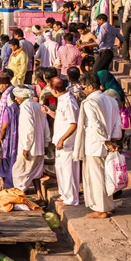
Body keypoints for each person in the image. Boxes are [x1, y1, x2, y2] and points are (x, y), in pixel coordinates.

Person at [73, 71, 122, 218]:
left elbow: (96, 125)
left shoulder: (90, 103)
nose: (83, 91)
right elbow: (117, 123)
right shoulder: (111, 100)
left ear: (89, 87)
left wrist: (106, 141)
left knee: (97, 177)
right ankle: (108, 205)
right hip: (107, 144)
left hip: (95, 145)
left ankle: (101, 209)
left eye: (83, 88)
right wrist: (112, 139)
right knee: (106, 176)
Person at [43, 77, 80, 207]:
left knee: (68, 171)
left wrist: (62, 139)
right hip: (60, 143)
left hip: (67, 143)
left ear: (55, 90)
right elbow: (61, 118)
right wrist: (49, 112)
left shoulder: (69, 102)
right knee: (61, 170)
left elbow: (73, 124)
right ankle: (64, 195)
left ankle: (71, 198)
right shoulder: (62, 100)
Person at [12, 87, 49, 192]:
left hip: (30, 147)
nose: (15, 98)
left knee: (19, 172)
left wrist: (26, 148)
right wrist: (45, 143)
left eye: (17, 96)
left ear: (21, 97)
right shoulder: (38, 106)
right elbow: (45, 126)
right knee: (34, 172)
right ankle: (39, 195)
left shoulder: (25, 107)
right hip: (39, 146)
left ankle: (19, 197)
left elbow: (29, 129)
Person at [0, 80, 19, 189]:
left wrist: (1, 136)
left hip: (9, 139)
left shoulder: (8, 110)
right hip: (18, 139)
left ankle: (6, 184)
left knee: (6, 160)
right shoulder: (21, 108)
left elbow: (4, 127)